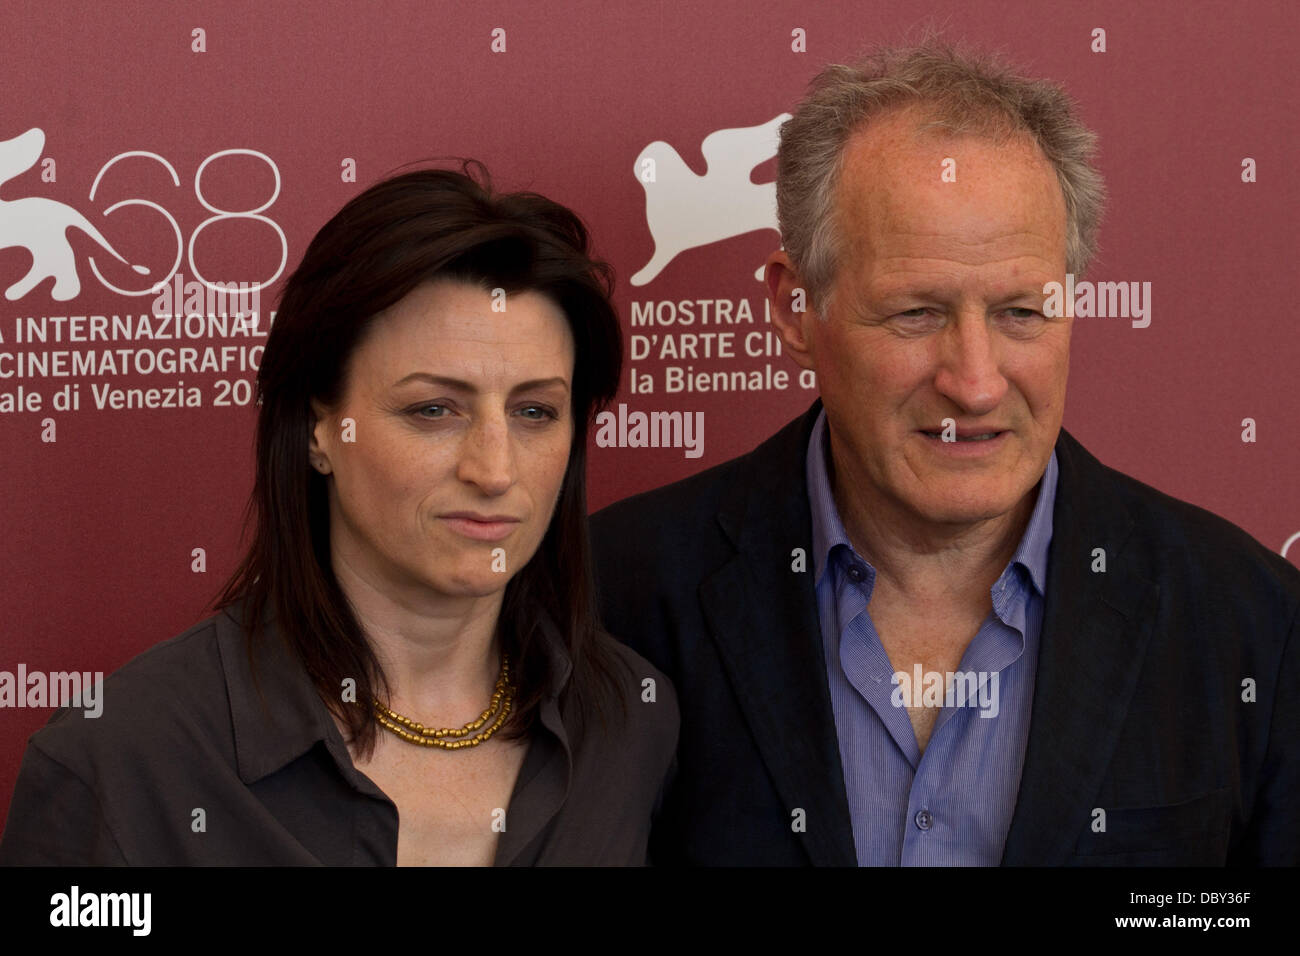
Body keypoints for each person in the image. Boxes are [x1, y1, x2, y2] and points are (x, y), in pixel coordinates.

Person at [589, 42, 1299, 865]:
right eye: (916, 313)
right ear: (794, 308)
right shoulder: (613, 597)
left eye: (1020, 313)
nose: (975, 382)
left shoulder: (1254, 625)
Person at [0, 162, 678, 866]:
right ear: (319, 426)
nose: (494, 469)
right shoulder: (123, 760)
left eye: (534, 411)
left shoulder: (631, 724)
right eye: (433, 410)